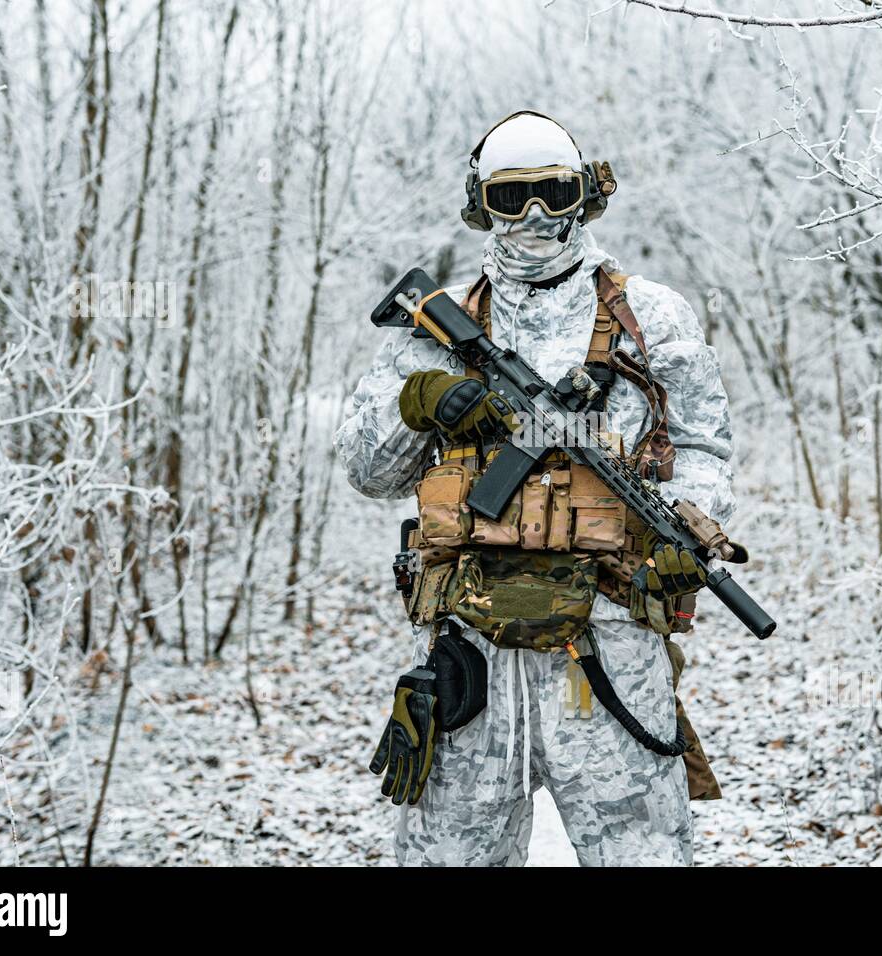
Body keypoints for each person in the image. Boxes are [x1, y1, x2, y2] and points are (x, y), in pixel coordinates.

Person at [335, 111, 735, 866]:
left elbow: (705, 451)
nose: (537, 217)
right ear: (481, 203)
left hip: (607, 648)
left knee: (642, 856)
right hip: (469, 659)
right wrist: (416, 403)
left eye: (553, 192)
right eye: (513, 197)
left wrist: (693, 524)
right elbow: (368, 472)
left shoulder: (647, 318)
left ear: (584, 194)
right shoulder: (434, 330)